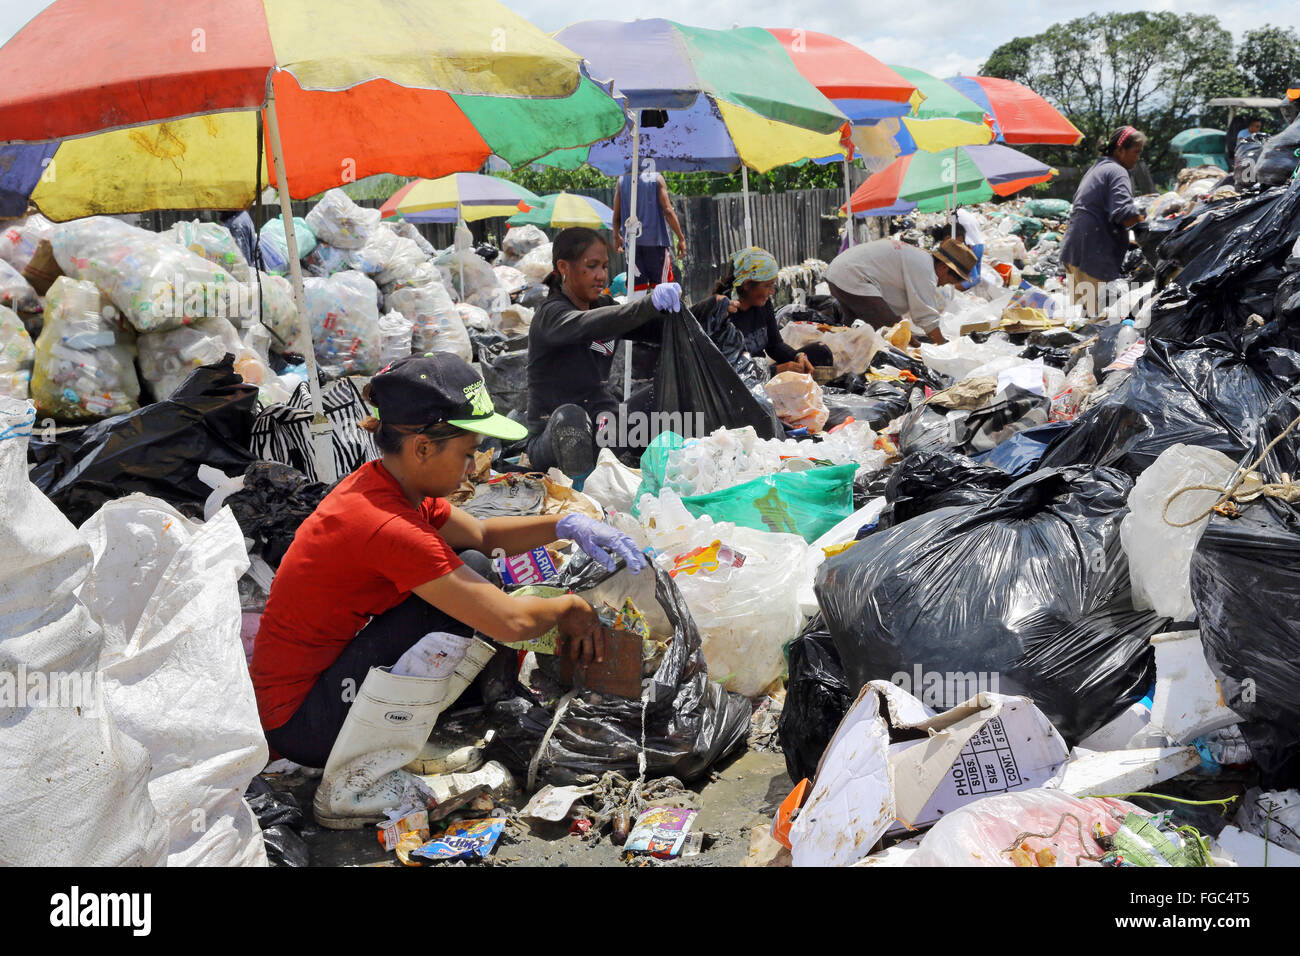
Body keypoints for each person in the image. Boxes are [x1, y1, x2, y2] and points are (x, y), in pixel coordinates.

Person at [251, 352, 649, 827]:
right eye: (467, 451)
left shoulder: (386, 485)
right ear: (422, 448)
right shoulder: (386, 525)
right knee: (461, 603)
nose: (475, 464)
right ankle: (353, 786)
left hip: (327, 678)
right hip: (302, 720)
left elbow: (481, 535)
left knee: (474, 565)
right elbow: (511, 622)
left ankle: (425, 726)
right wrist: (572, 607)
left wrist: (567, 523)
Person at [526, 227, 683, 477]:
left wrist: (711, 310)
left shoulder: (604, 307)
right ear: (564, 267)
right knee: (571, 419)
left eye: (604, 266)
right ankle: (580, 499)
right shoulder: (551, 315)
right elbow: (589, 323)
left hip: (600, 424)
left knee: (662, 394)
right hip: (552, 437)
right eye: (592, 266)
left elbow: (654, 328)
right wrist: (646, 304)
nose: (601, 276)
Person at [1059, 125, 1147, 318]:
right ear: (1120, 150)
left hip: (1076, 250)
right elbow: (1124, 212)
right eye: (1136, 152)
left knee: (1084, 319)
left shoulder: (1098, 168)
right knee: (1098, 321)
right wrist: (1150, 230)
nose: (1137, 158)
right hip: (1092, 255)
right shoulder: (1117, 171)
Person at [823, 236, 976, 343]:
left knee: (855, 332)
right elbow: (925, 316)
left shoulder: (921, 260)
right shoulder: (926, 270)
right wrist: (942, 345)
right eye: (949, 280)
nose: (944, 285)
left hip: (838, 273)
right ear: (943, 268)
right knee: (895, 330)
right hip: (850, 276)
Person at [690, 247, 816, 375]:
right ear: (747, 284)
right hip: (740, 384)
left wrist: (797, 356)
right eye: (767, 286)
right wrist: (778, 371)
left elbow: (774, 345)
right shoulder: (725, 313)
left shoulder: (763, 305)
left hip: (762, 373)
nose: (772, 291)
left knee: (820, 352)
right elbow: (730, 372)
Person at [612, 167, 687, 289]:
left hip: (632, 246)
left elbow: (616, 215)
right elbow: (668, 211)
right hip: (655, 244)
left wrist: (616, 236)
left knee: (636, 292)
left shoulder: (621, 181)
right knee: (661, 290)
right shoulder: (656, 178)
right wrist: (681, 238)